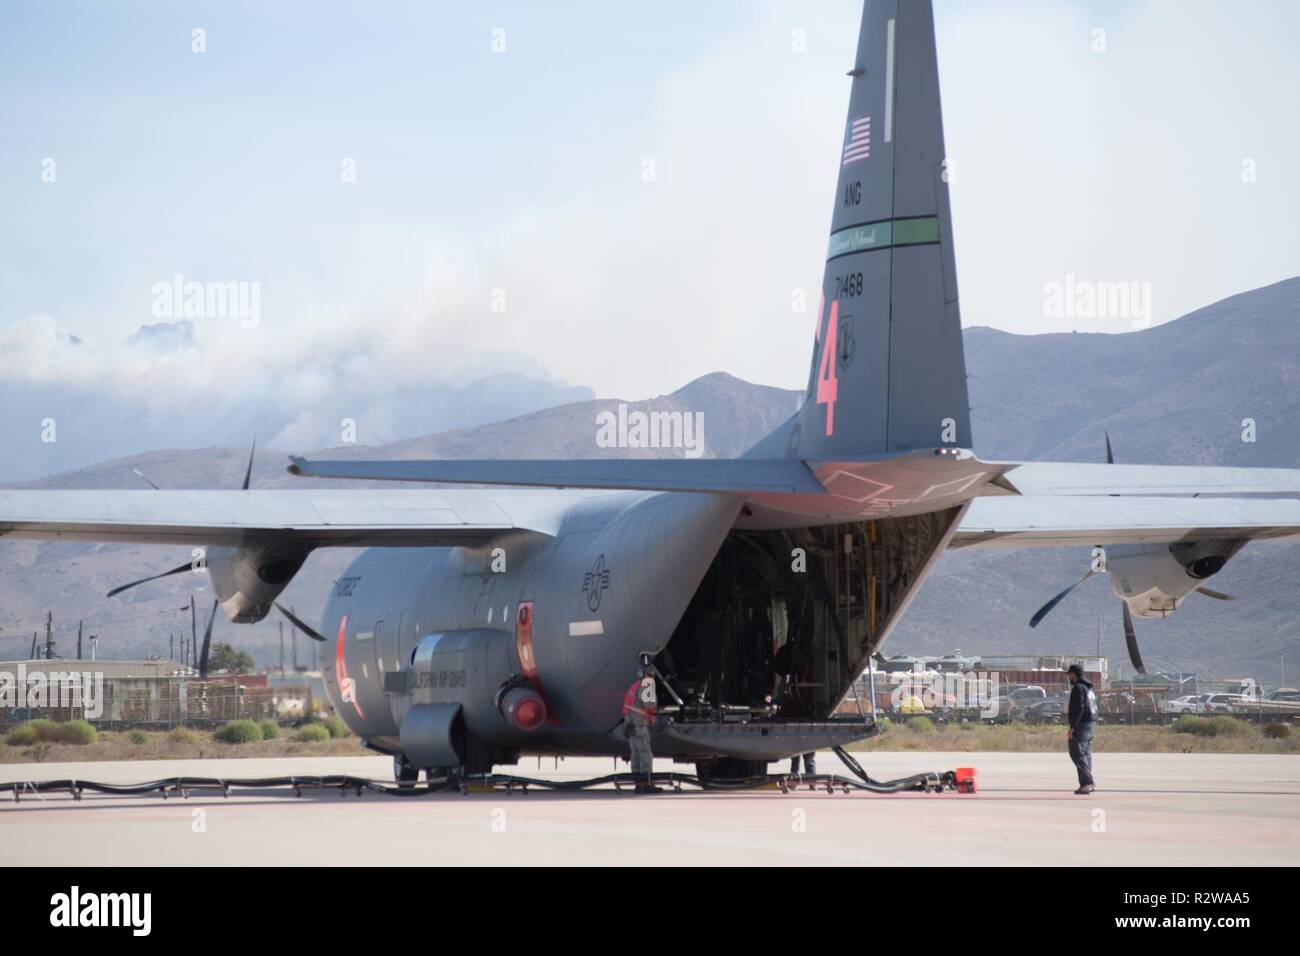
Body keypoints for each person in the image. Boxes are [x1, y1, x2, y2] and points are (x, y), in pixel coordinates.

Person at [621, 668, 659, 793]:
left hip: (630, 725)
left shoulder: (634, 686)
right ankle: (647, 784)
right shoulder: (645, 687)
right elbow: (649, 704)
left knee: (635, 755)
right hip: (640, 725)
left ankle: (638, 784)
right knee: (645, 754)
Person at [1065, 664, 1097, 794]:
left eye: (1069, 675)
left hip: (1082, 725)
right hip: (1090, 723)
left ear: (1073, 674)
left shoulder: (1079, 688)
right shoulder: (1088, 688)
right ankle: (1087, 781)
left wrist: (1073, 727)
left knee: (1077, 752)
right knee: (1085, 754)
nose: (1068, 678)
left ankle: (1087, 782)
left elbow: (1079, 708)